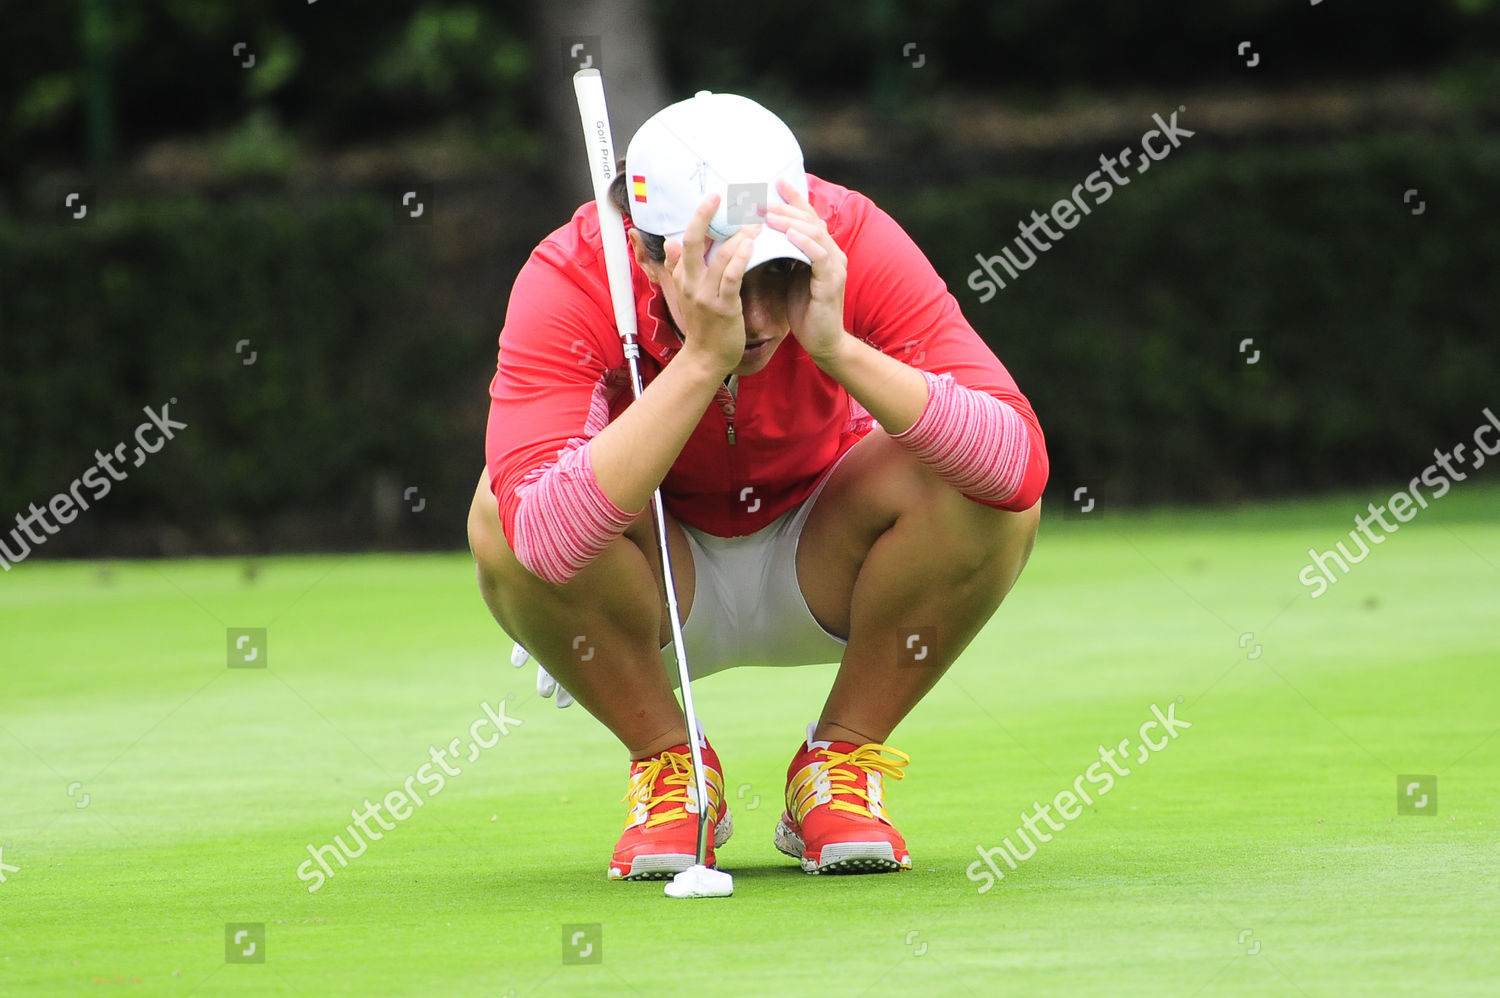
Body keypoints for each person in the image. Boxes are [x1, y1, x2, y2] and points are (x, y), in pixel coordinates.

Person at [467, 90, 1046, 880]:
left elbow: (1019, 466)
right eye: (725, 275)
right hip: (655, 588)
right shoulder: (569, 276)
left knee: (974, 482)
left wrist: (839, 347)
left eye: (777, 274)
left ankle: (839, 766)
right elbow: (542, 537)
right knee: (498, 511)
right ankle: (671, 770)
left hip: (830, 558)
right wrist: (702, 360)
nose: (762, 317)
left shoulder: (848, 233)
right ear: (646, 252)